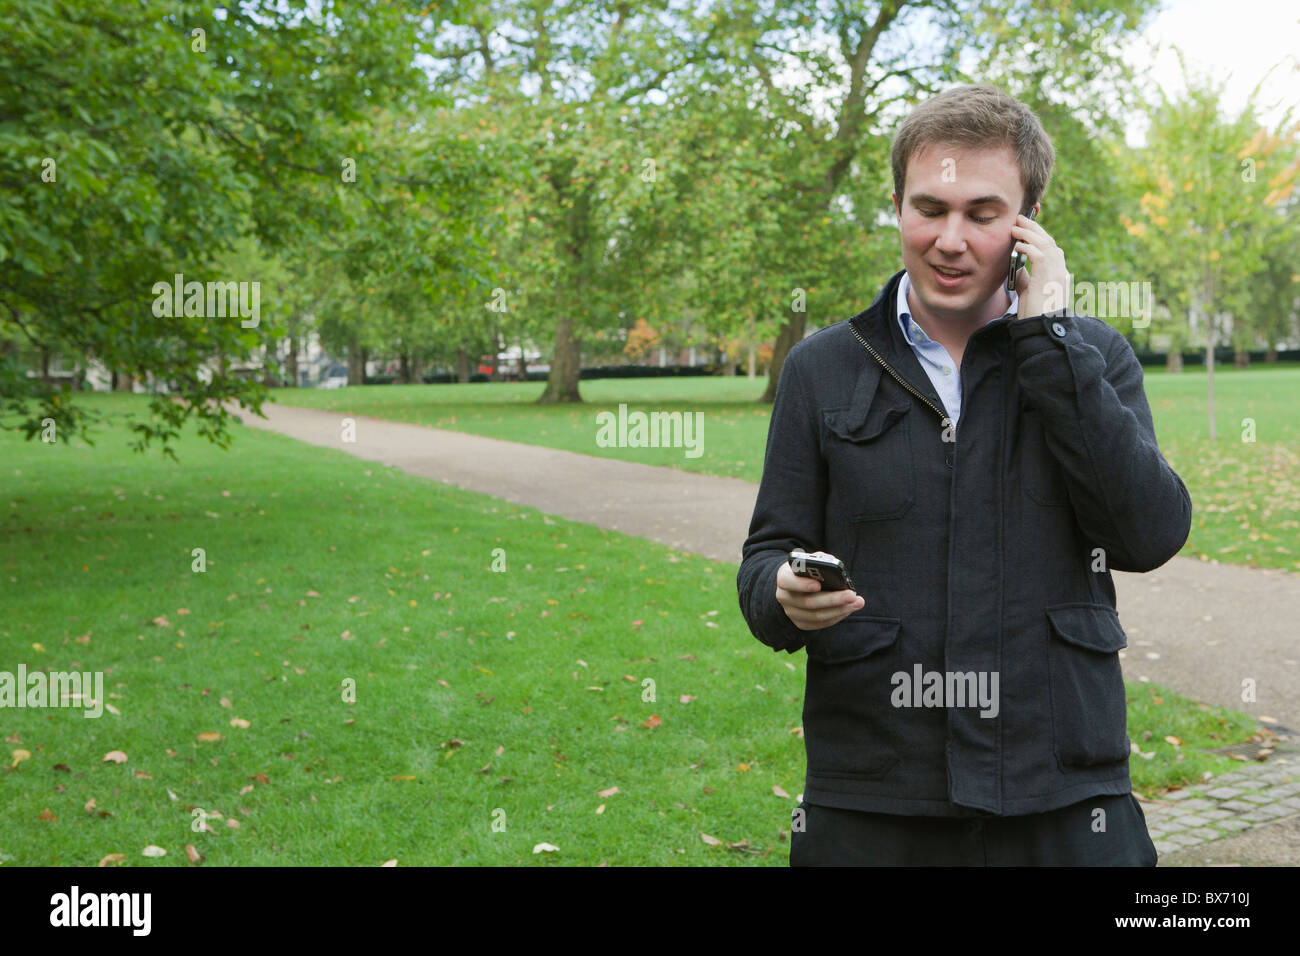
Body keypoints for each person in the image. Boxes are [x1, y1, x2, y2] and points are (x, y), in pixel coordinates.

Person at [735, 84, 1192, 866]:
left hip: (1062, 789)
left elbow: (1147, 533)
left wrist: (1047, 340)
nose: (949, 238)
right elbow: (765, 560)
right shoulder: (822, 369)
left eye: (981, 214)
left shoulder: (1093, 359)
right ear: (896, 207)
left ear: (1028, 224)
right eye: (929, 208)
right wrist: (782, 592)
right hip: (875, 793)